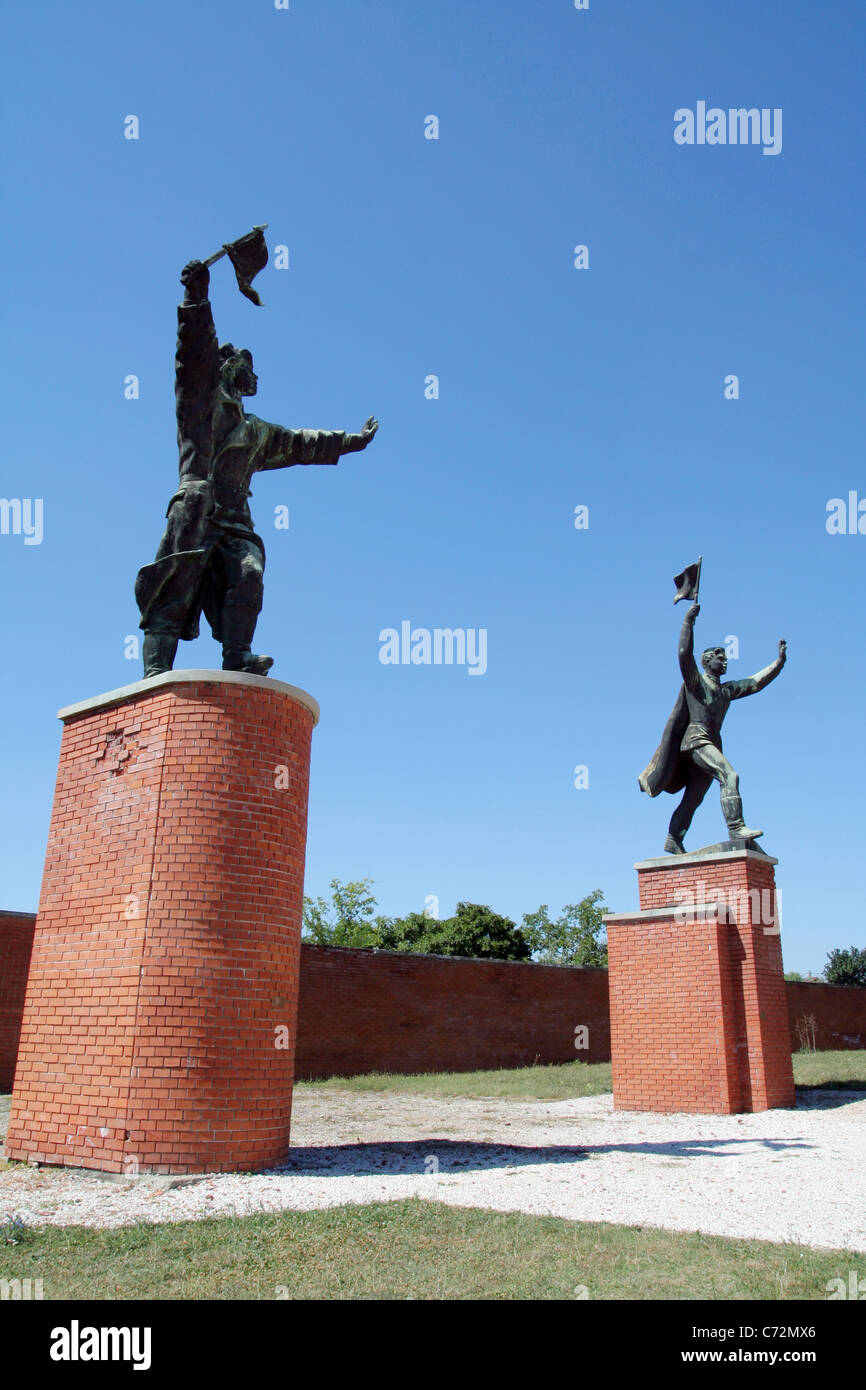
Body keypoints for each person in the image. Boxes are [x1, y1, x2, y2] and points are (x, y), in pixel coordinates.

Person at [135, 258, 378, 676]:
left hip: (235, 522)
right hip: (196, 511)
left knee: (248, 573)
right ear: (229, 367)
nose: (255, 375)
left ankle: (237, 657)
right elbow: (193, 353)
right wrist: (197, 298)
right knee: (175, 589)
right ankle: (155, 677)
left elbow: (301, 443)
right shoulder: (200, 404)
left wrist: (350, 441)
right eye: (248, 367)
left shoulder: (257, 432)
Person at [639, 603, 787, 853]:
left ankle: (673, 838)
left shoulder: (726, 691)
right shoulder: (697, 684)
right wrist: (688, 622)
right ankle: (736, 827)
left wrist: (779, 662)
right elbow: (684, 655)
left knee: (694, 798)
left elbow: (754, 683)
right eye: (719, 656)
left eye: (725, 657)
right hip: (696, 741)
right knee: (730, 775)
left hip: (711, 743)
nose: (725, 660)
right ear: (707, 661)